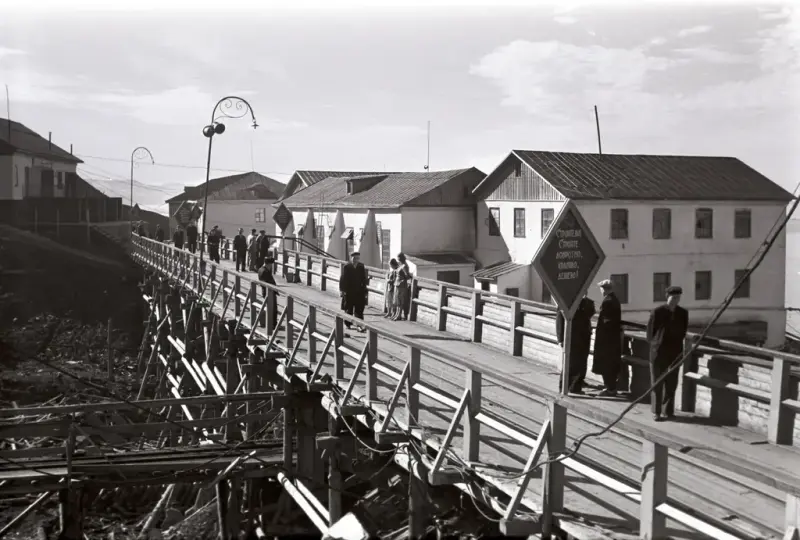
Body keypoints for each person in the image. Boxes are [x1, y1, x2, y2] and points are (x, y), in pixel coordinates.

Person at [647, 285, 689, 421]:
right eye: (673, 297)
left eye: (678, 297)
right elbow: (650, 334)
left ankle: (668, 411)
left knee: (672, 383)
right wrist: (656, 346)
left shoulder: (682, 313)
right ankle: (656, 412)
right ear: (667, 297)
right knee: (657, 383)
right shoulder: (657, 312)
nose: (675, 300)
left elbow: (683, 332)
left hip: (675, 353)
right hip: (658, 352)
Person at [555, 295, 596, 394]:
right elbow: (560, 320)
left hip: (583, 338)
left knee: (581, 363)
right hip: (571, 337)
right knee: (570, 363)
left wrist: (586, 300)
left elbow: (591, 312)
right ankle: (565, 386)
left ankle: (576, 386)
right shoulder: (565, 302)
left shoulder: (585, 303)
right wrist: (561, 339)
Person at [592, 279, 623, 397]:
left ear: (604, 289)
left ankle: (610, 388)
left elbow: (606, 321)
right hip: (613, 338)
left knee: (606, 363)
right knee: (610, 363)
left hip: (607, 339)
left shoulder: (608, 301)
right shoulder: (614, 300)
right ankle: (611, 387)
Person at [340, 251, 368, 332]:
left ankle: (360, 325)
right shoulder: (347, 266)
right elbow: (343, 279)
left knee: (359, 309)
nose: (356, 260)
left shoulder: (361, 266)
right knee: (348, 308)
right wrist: (342, 290)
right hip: (349, 291)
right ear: (351, 258)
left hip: (359, 291)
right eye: (354, 258)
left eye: (357, 258)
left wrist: (365, 291)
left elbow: (363, 279)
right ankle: (347, 324)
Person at [392, 253, 411, 321]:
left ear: (401, 258)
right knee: (397, 300)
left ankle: (399, 315)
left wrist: (404, 278)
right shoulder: (401, 265)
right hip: (397, 284)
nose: (398, 259)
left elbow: (407, 276)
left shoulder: (405, 266)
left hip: (401, 285)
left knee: (400, 300)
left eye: (398, 258)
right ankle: (397, 314)